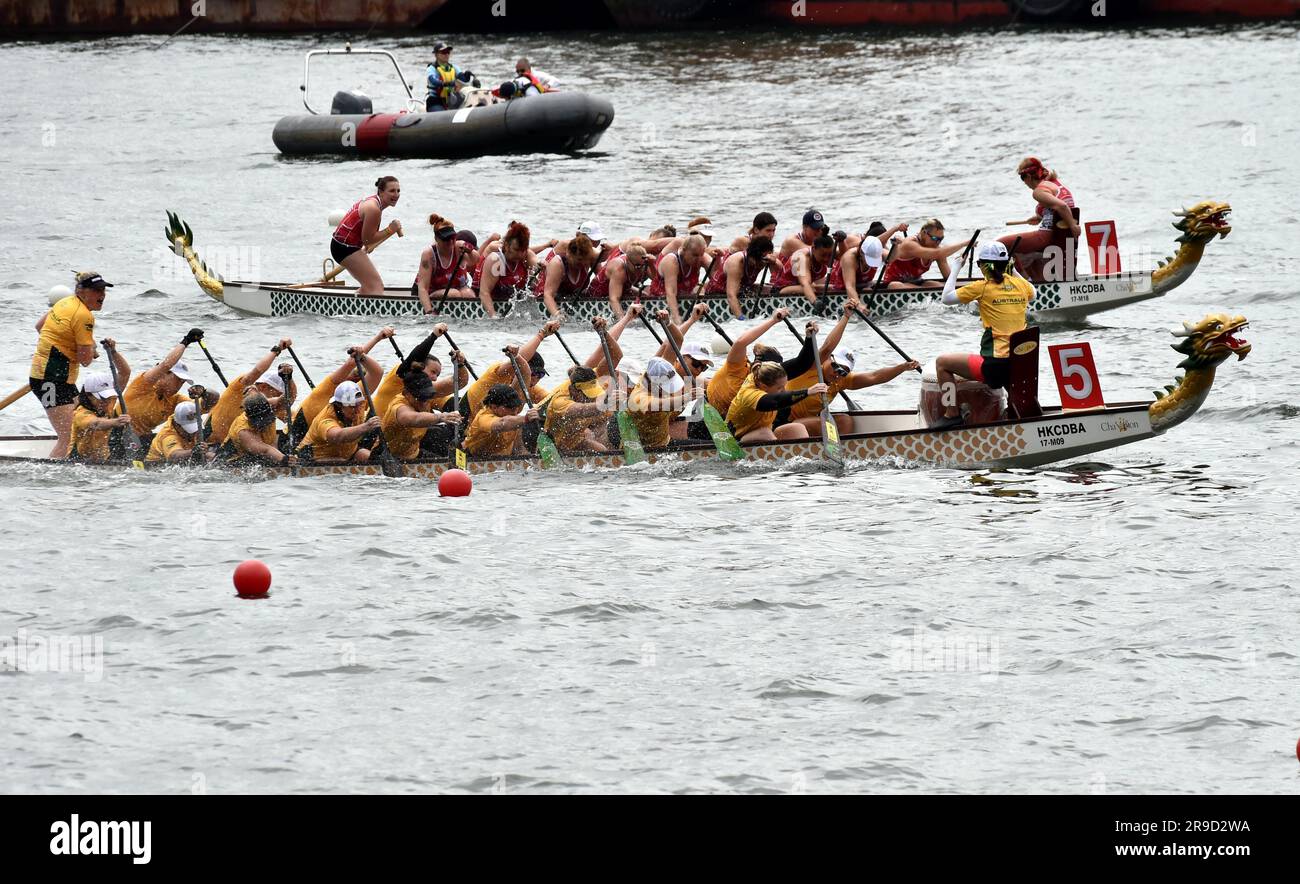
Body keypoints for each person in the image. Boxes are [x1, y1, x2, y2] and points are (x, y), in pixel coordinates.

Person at [934, 241, 1034, 427]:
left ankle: (952, 413)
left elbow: (946, 298)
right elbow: (1034, 293)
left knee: (942, 363)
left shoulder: (982, 287)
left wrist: (956, 268)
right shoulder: (1022, 285)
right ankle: (1016, 413)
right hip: (1021, 365)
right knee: (1006, 366)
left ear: (982, 266)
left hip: (996, 367)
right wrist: (1011, 270)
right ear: (1007, 265)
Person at [779, 304, 919, 437]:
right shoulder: (812, 367)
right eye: (836, 367)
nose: (838, 373)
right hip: (785, 422)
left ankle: (843, 453)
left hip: (808, 421)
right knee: (819, 425)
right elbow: (828, 347)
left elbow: (875, 377)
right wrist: (846, 316)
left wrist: (902, 367)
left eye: (843, 372)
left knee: (845, 421)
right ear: (828, 359)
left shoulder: (841, 381)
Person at [29, 271, 114, 458]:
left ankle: (84, 462)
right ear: (81, 291)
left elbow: (40, 327)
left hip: (55, 378)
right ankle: (51, 479)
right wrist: (90, 349)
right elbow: (85, 361)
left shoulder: (64, 303)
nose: (102, 295)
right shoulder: (84, 316)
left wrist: (72, 343)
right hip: (50, 380)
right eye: (96, 291)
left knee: (79, 429)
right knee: (68, 437)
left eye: (103, 290)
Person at [288, 329, 391, 446]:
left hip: (332, 438)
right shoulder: (328, 388)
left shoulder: (353, 393)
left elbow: (376, 373)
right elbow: (351, 361)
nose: (355, 383)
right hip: (295, 437)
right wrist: (376, 338)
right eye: (353, 379)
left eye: (358, 381)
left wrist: (362, 356)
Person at [123, 328, 215, 439]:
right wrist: (186, 341)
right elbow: (165, 365)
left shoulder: (175, 400)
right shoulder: (143, 385)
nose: (180, 385)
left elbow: (206, 406)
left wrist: (205, 393)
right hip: (118, 431)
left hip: (140, 439)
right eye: (178, 380)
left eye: (182, 382)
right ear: (164, 374)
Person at [999, 156, 1080, 282]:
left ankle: (1026, 283)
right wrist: (1040, 217)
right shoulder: (1054, 184)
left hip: (1046, 236)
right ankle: (1037, 279)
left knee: (1000, 245)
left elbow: (1062, 206)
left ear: (1029, 177)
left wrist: (1073, 226)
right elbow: (1056, 208)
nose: (1024, 183)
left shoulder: (1038, 191)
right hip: (1058, 236)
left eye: (1022, 178)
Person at [207, 339, 297, 446]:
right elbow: (256, 372)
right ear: (263, 386)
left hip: (243, 447)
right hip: (213, 444)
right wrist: (277, 350)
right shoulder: (242, 387)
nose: (278, 397)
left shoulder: (266, 405)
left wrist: (289, 377)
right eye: (278, 394)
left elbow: (290, 405)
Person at [331, 177, 403, 295]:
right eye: (392, 191)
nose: (396, 195)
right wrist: (390, 229)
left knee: (369, 286)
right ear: (380, 191)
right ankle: (364, 311)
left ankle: (352, 306)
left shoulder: (374, 202)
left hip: (343, 245)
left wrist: (370, 242)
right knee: (376, 287)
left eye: (398, 191)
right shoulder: (373, 208)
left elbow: (367, 237)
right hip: (344, 248)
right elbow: (367, 240)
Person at [725, 360, 827, 443]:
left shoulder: (763, 374)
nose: (784, 390)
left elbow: (802, 363)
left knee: (797, 428)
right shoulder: (749, 394)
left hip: (763, 432)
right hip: (735, 439)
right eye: (779, 388)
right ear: (764, 387)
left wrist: (809, 337)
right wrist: (807, 392)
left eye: (784, 385)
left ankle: (805, 460)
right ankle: (779, 461)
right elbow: (775, 401)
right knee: (765, 433)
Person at [381, 367, 463, 461]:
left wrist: (460, 365)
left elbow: (459, 382)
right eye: (421, 398)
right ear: (406, 393)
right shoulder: (399, 406)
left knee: (441, 434)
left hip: (413, 454)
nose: (424, 402)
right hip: (387, 457)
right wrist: (441, 416)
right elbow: (411, 418)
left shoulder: (427, 396)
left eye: (427, 397)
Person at [296, 381, 381, 464]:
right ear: (339, 405)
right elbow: (338, 436)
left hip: (347, 454)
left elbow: (376, 374)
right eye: (352, 406)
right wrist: (365, 426)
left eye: (359, 404)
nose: (358, 410)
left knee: (368, 456)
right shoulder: (325, 419)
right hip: (313, 458)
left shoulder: (358, 405)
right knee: (341, 461)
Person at [706, 235, 783, 318]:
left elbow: (781, 269)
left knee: (774, 289)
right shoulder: (737, 262)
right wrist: (741, 320)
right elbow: (731, 296)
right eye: (760, 262)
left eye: (765, 261)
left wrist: (774, 261)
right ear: (752, 257)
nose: (762, 265)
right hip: (718, 295)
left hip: (743, 290)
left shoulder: (764, 257)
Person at [881, 219, 971, 288]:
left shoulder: (937, 249)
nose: (938, 243)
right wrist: (964, 244)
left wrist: (958, 266)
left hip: (917, 283)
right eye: (935, 239)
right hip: (893, 284)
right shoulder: (910, 244)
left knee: (939, 286)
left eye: (941, 239)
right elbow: (937, 254)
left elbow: (948, 278)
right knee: (896, 286)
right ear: (924, 233)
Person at [474, 221, 537, 319]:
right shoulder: (496, 260)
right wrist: (493, 316)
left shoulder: (528, 257)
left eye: (523, 250)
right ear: (507, 246)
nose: (520, 255)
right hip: (484, 300)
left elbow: (537, 288)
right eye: (516, 250)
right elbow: (484, 293)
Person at [541, 365, 611, 453]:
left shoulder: (597, 392)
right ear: (572, 390)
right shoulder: (560, 402)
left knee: (603, 451)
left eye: (593, 394)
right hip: (553, 447)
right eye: (587, 395)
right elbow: (581, 410)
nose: (590, 399)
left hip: (576, 442)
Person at [414, 214, 474, 314]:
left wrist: (470, 251)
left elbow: (475, 260)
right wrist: (429, 312)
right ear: (436, 239)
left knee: (469, 295)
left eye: (452, 237)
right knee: (454, 294)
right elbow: (423, 288)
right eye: (445, 239)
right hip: (427, 293)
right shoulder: (429, 254)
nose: (450, 242)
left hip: (456, 290)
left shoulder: (459, 247)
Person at [67, 373, 133, 463]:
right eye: (102, 398)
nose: (107, 402)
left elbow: (125, 373)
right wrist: (116, 422)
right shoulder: (81, 414)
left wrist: (114, 357)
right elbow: (96, 424)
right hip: (79, 462)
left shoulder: (107, 403)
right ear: (88, 395)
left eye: (109, 397)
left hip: (103, 460)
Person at [218, 392, 297, 466]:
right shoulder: (243, 430)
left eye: (266, 421)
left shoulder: (270, 406)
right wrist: (284, 459)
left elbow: (290, 396)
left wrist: (288, 379)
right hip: (231, 461)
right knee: (257, 461)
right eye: (259, 423)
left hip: (263, 451)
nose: (263, 425)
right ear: (249, 418)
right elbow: (265, 450)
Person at [462, 383, 538, 457]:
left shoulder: (515, 421)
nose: (515, 412)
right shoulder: (483, 418)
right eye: (510, 408)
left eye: (516, 407)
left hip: (499, 461)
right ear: (494, 407)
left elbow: (520, 450)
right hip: (471, 456)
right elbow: (501, 424)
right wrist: (526, 418)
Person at [649, 232, 710, 323]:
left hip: (685, 298)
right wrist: (677, 320)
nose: (699, 259)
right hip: (660, 302)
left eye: (701, 255)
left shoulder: (700, 256)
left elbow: (715, 276)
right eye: (695, 255)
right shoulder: (671, 261)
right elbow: (671, 293)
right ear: (684, 250)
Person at [536, 233, 600, 318]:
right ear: (568, 254)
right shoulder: (557, 264)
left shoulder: (589, 257)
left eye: (585, 260)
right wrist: (557, 316)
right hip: (545, 300)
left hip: (569, 298)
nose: (583, 263)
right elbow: (548, 295)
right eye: (579, 260)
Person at [589, 243, 652, 318]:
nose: (641, 269)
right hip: (598, 295)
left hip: (621, 287)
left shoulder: (641, 262)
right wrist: (624, 323)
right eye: (638, 266)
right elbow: (614, 299)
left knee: (645, 295)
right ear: (627, 260)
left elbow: (657, 280)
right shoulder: (618, 269)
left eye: (643, 265)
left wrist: (652, 264)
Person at [771, 233, 836, 303]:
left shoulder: (824, 253)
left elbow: (843, 254)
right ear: (813, 248)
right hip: (780, 291)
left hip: (800, 288)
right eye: (823, 255)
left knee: (832, 288)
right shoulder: (800, 257)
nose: (826, 259)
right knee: (812, 289)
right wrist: (815, 302)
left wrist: (842, 242)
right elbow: (805, 284)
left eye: (829, 255)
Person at [146, 400, 209, 464]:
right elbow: (174, 456)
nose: (194, 433)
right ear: (177, 425)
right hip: (157, 466)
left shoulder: (182, 416)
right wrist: (194, 451)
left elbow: (212, 399)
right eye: (189, 429)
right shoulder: (168, 436)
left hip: (185, 454)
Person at [426, 43, 478, 112]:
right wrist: (445, 83)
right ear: (436, 55)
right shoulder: (431, 69)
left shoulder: (454, 67)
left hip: (452, 100)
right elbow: (433, 80)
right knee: (442, 115)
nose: (446, 54)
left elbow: (462, 79)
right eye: (443, 52)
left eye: (448, 52)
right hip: (435, 101)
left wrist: (467, 76)